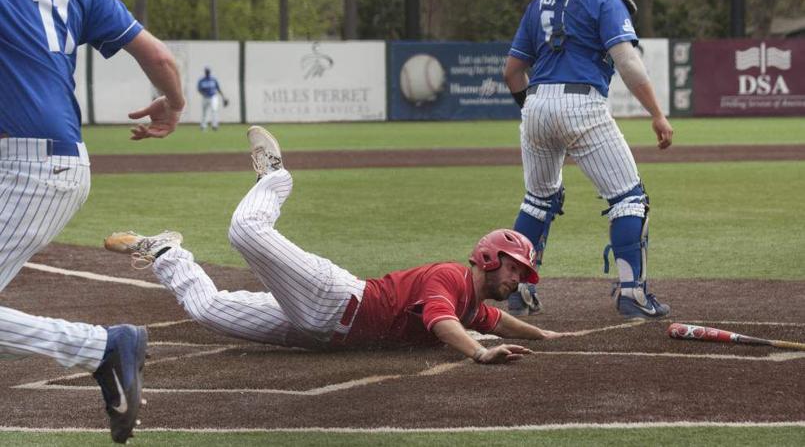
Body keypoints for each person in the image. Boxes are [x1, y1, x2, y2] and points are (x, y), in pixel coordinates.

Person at [104, 127, 570, 364]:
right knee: (245, 230)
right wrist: (478, 352)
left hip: (317, 334)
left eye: (521, 274)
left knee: (208, 311)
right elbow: (442, 322)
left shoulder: (474, 305)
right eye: (512, 268)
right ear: (488, 257)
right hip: (334, 300)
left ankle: (165, 252)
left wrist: (541, 335)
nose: (516, 278)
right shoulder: (449, 279)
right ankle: (276, 176)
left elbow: (498, 321)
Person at [0, 0, 185, 442]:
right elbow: (159, 56)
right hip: (48, 158)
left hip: (29, 166)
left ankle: (100, 348)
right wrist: (174, 105)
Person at [503, 0, 674, 319]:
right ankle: (633, 294)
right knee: (629, 199)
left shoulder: (540, 0)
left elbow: (512, 71)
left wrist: (538, 118)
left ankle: (519, 290)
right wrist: (657, 114)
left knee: (538, 200)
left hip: (534, 102)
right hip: (582, 102)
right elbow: (627, 63)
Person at [197, 67, 228, 131]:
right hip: (205, 97)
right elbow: (199, 89)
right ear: (205, 72)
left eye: (208, 72)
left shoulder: (213, 79)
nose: (207, 73)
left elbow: (218, 88)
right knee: (204, 112)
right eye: (206, 72)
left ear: (209, 72)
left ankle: (215, 125)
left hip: (213, 97)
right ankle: (203, 126)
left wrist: (223, 97)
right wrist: (203, 93)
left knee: (214, 110)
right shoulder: (202, 80)